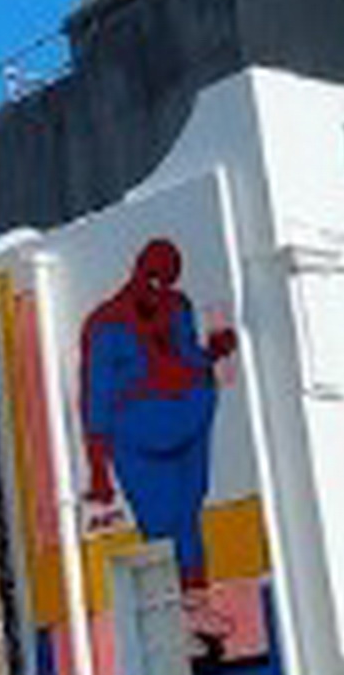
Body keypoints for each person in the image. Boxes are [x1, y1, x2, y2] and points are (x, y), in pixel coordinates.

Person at [79, 235, 236, 594]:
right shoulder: (105, 323)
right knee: (158, 525)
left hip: (190, 418)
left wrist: (212, 353)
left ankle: (196, 603)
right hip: (139, 432)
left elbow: (187, 355)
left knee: (187, 518)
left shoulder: (177, 305)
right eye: (153, 277)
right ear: (138, 271)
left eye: (167, 280)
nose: (159, 288)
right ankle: (170, 612)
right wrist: (98, 471)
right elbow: (96, 397)